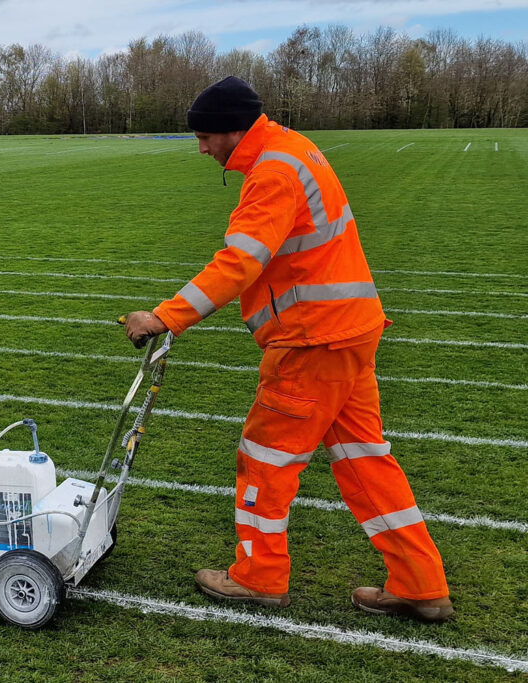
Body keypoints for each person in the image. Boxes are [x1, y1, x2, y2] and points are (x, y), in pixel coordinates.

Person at [122, 76, 452, 621]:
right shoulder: (294, 150)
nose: (201, 148)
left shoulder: (273, 170)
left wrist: (164, 316)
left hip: (311, 341)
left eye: (205, 136)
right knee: (366, 460)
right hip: (349, 331)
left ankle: (258, 578)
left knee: (265, 460)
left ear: (233, 128)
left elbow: (241, 261)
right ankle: (421, 584)